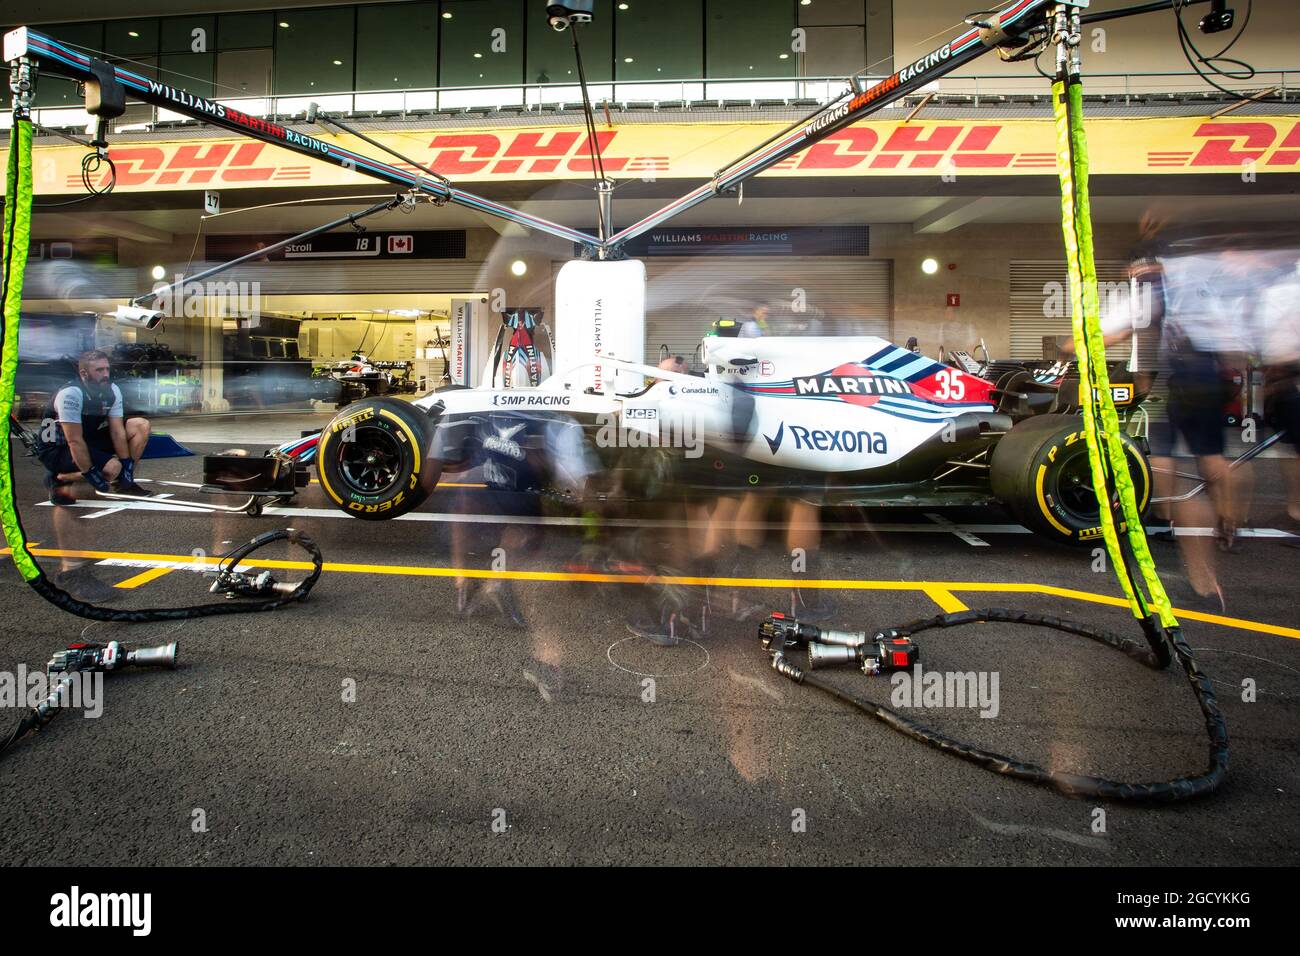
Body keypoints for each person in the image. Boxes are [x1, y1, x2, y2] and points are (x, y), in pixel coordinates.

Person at [39, 350, 152, 505]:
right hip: (58, 449)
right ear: (84, 373)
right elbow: (74, 441)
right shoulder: (71, 393)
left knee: (140, 425)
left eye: (107, 369)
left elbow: (117, 431)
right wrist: (90, 473)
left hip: (86, 439)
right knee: (112, 468)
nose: (105, 374)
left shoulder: (112, 390)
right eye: (99, 370)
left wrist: (127, 467)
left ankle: (123, 484)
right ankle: (59, 477)